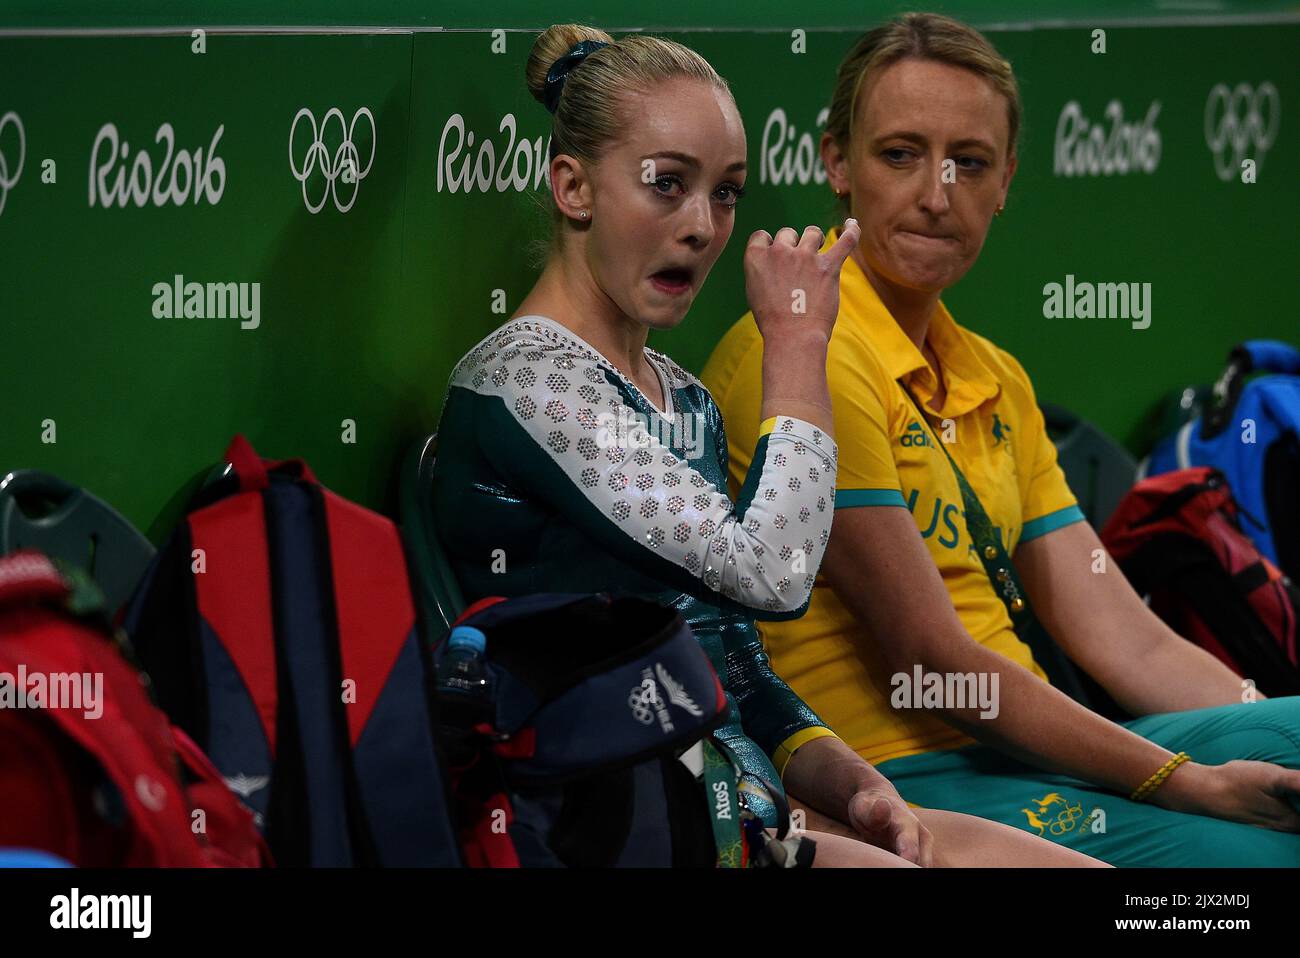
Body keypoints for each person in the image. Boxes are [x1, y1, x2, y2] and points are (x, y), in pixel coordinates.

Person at [430, 22, 1105, 867]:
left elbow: (739, 665)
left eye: (725, 193)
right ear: (573, 187)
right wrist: (795, 350)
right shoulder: (527, 381)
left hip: (734, 802)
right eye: (667, 185)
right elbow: (771, 574)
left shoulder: (681, 397)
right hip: (603, 818)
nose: (703, 226)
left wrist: (858, 786)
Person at [703, 12, 1300, 866]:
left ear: (1008, 177)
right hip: (905, 778)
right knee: (1268, 860)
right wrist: (1184, 778)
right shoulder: (806, 353)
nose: (936, 195)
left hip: (1036, 750)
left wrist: (1251, 734)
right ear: (835, 162)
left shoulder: (996, 376)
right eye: (900, 154)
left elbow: (1125, 639)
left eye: (969, 163)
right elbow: (933, 661)